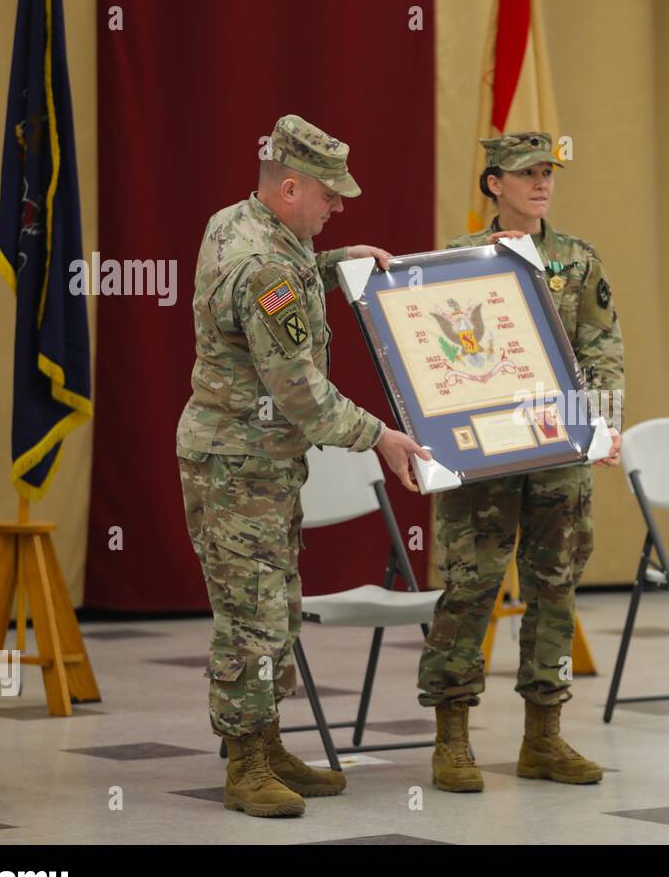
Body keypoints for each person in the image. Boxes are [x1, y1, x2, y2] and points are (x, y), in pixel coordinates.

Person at [176, 113, 429, 817]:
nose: (337, 204)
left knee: (275, 606)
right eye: (328, 195)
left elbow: (275, 278)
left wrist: (334, 257)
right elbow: (302, 395)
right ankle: (245, 764)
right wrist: (380, 434)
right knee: (250, 617)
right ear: (290, 187)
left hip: (256, 463)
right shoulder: (265, 266)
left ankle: (266, 739)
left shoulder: (237, 224)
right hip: (238, 465)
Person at [419, 132, 625, 792]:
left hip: (557, 455)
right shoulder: (457, 260)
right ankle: (452, 739)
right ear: (494, 184)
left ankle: (545, 736)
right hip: (482, 458)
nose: (541, 182)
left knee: (555, 593)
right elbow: (432, 357)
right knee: (471, 588)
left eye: (547, 172)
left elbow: (604, 351)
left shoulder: (576, 260)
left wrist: (602, 427)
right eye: (525, 172)